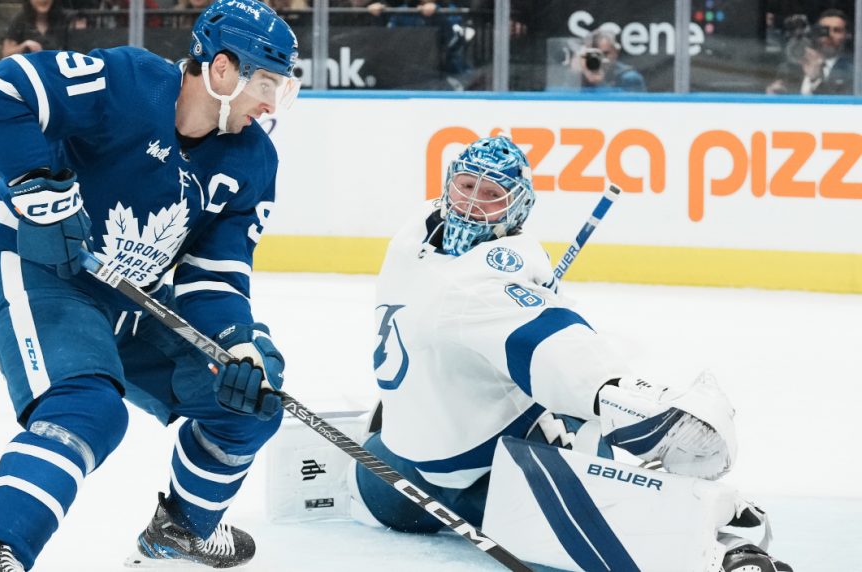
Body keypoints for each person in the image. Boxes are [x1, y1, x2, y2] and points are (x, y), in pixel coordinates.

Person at [274, 136, 791, 571]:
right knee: (581, 443)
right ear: (449, 184)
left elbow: (500, 296)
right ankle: (719, 538)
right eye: (466, 186)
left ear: (516, 207)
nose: (472, 203)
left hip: (390, 482)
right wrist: (628, 398)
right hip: (485, 474)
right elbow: (554, 347)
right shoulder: (486, 285)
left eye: (491, 194)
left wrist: (529, 280)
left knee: (409, 429)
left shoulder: (414, 236)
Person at [0, 0, 300, 569]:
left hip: (132, 299)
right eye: (264, 81)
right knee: (89, 409)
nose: (269, 102)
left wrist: (235, 342)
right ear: (221, 69)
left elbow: (213, 273)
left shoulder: (253, 160)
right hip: (41, 272)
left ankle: (182, 529)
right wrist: (35, 181)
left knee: (249, 396)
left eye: (280, 86)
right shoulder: (126, 82)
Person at [768, 9, 854, 95]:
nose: (829, 35)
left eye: (837, 31)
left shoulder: (854, 72)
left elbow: (840, 105)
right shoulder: (788, 69)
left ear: (847, 36)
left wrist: (815, 80)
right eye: (824, 31)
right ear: (815, 33)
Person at [1, 0, 85, 57]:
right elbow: (6, 53)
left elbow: (79, 51)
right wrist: (24, 46)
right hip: (31, 71)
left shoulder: (66, 18)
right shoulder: (20, 19)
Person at [575, 27, 645, 92]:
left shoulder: (630, 78)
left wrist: (599, 83)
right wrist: (573, 73)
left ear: (616, 52)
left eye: (605, 54)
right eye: (594, 55)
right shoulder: (580, 74)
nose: (600, 59)